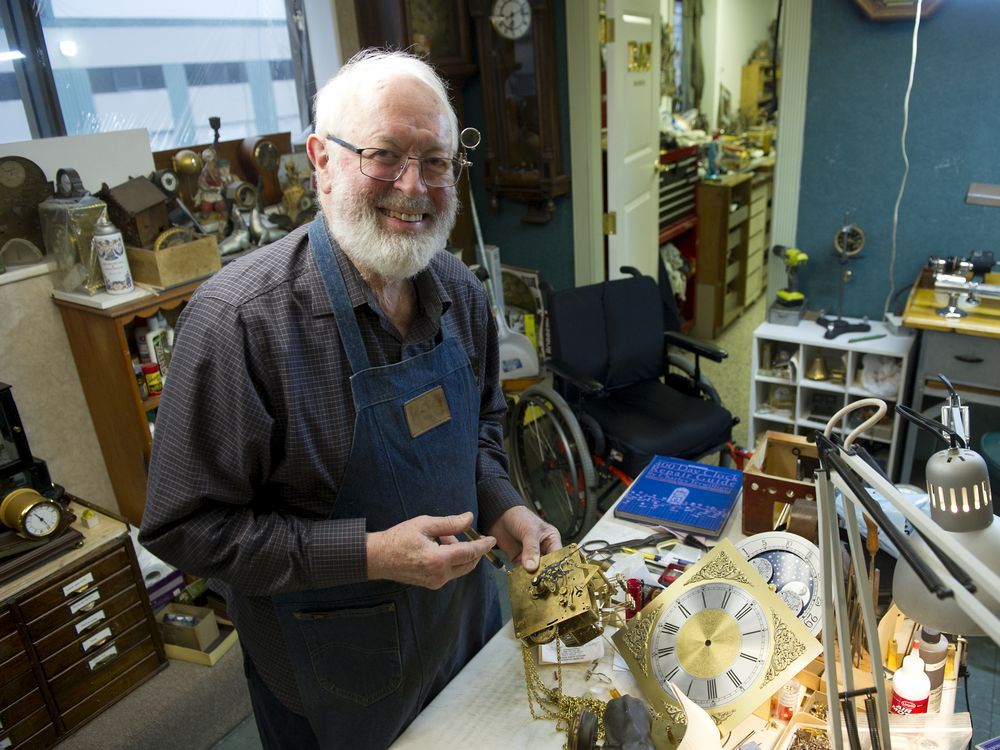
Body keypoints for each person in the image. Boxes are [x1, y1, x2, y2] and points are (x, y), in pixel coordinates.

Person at [139, 48, 561, 749]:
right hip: (332, 675)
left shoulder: (457, 289)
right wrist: (368, 555)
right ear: (322, 160)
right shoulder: (240, 323)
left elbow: (482, 426)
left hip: (461, 628)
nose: (414, 186)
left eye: (436, 160)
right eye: (385, 154)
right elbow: (186, 527)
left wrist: (503, 503)